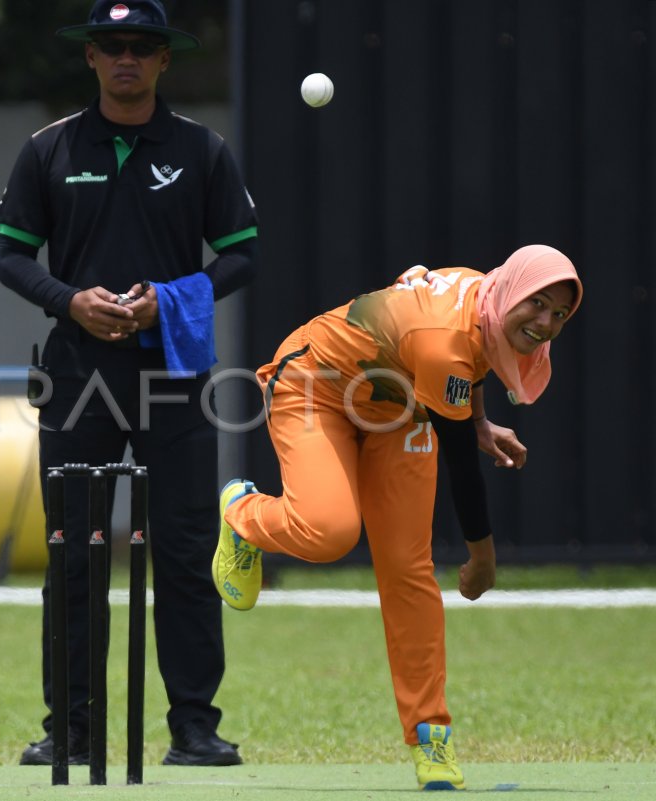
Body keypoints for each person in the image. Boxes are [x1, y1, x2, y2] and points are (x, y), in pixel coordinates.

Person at [0, 0, 259, 767]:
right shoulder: (49, 149)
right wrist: (70, 300)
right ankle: (70, 728)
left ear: (165, 59)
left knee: (182, 548)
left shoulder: (202, 150)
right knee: (73, 550)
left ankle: (194, 728)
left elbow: (243, 256)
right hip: (78, 375)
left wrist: (169, 297)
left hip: (175, 372)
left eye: (143, 47)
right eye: (113, 46)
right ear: (90, 56)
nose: (127, 59)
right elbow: (12, 258)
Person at [212, 245, 582, 790]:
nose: (545, 322)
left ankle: (431, 735)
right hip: (316, 384)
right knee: (329, 532)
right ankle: (242, 511)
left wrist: (478, 421)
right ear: (512, 287)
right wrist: (483, 557)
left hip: (398, 404)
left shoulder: (486, 292)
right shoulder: (443, 341)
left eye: (560, 315)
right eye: (539, 303)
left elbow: (471, 361)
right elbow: (459, 452)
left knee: (408, 568)